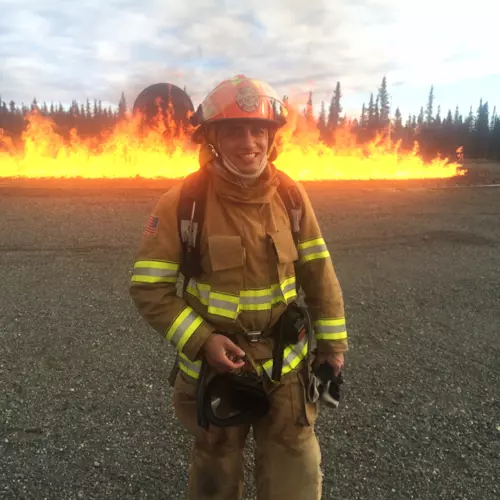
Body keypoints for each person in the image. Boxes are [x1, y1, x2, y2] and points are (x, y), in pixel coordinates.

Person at [129, 75, 348, 500]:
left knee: (295, 467)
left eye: (258, 130)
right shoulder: (183, 203)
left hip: (285, 363)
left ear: (271, 137)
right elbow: (148, 288)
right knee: (216, 462)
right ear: (212, 139)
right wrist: (203, 340)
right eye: (234, 131)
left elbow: (319, 272)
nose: (249, 142)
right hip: (215, 368)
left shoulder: (291, 197)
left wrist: (333, 346)